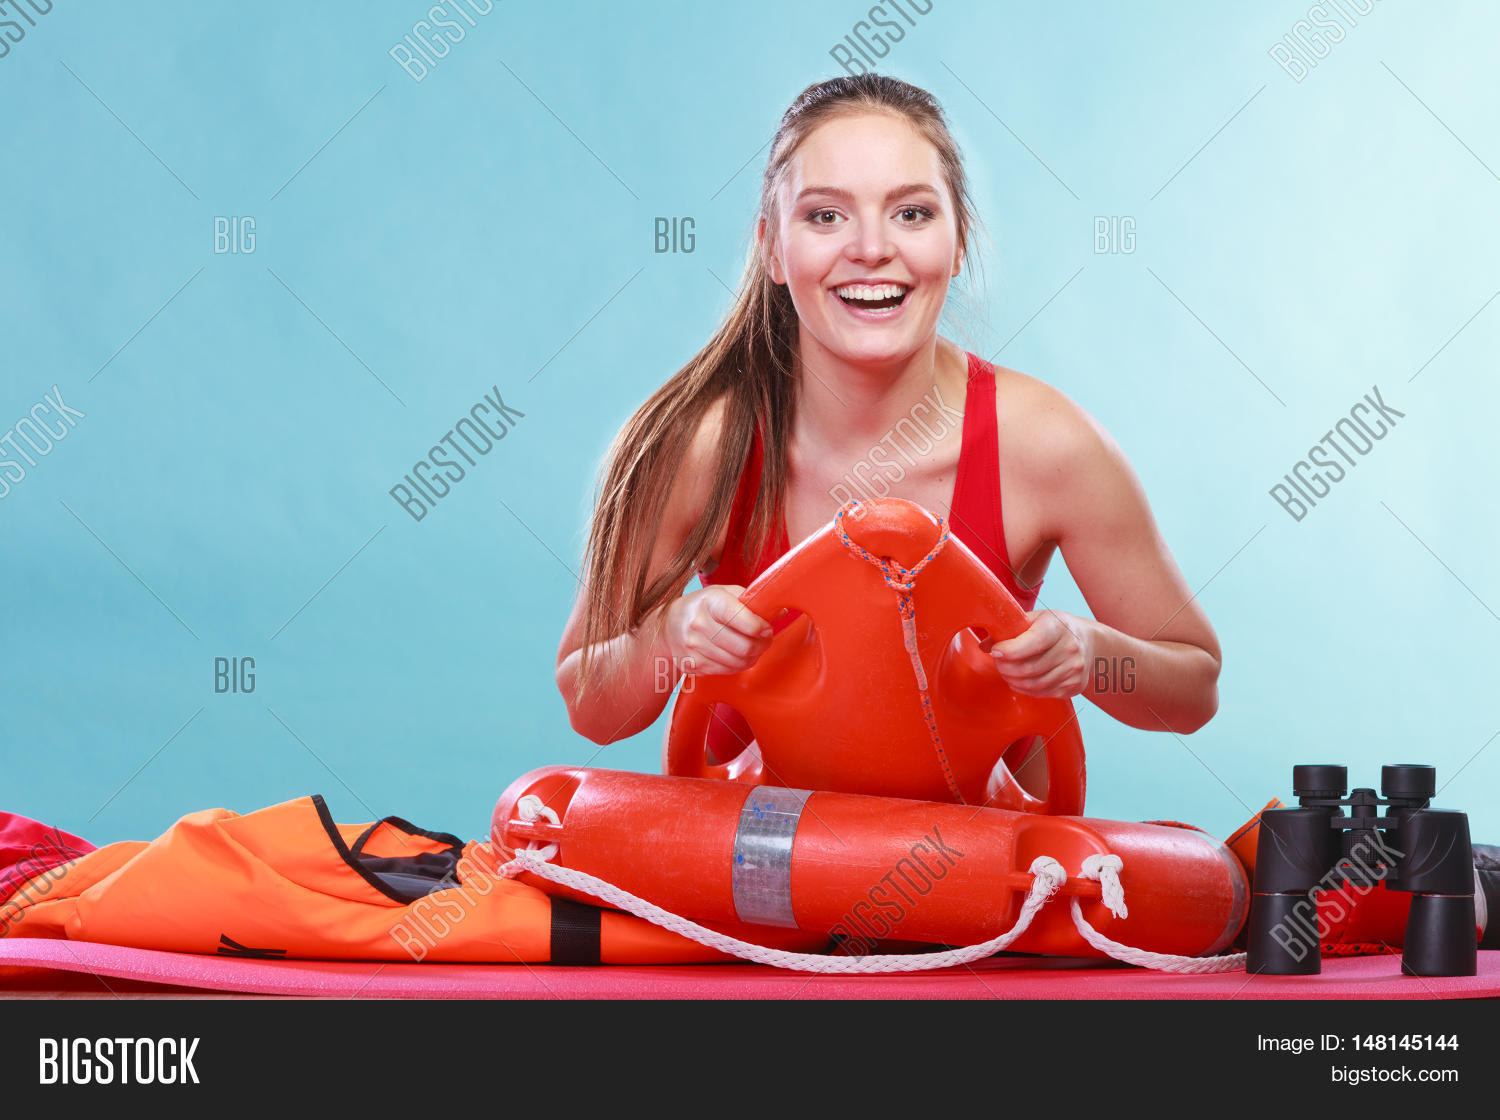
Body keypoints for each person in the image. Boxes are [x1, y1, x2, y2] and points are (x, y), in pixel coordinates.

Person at [554, 74, 1221, 785]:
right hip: (751, 878)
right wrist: (668, 637)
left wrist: (1091, 658)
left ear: (958, 241)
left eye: (911, 213)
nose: (871, 249)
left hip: (972, 877)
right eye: (824, 217)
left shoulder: (1048, 447)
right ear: (772, 250)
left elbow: (1193, 689)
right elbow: (592, 707)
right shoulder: (696, 447)